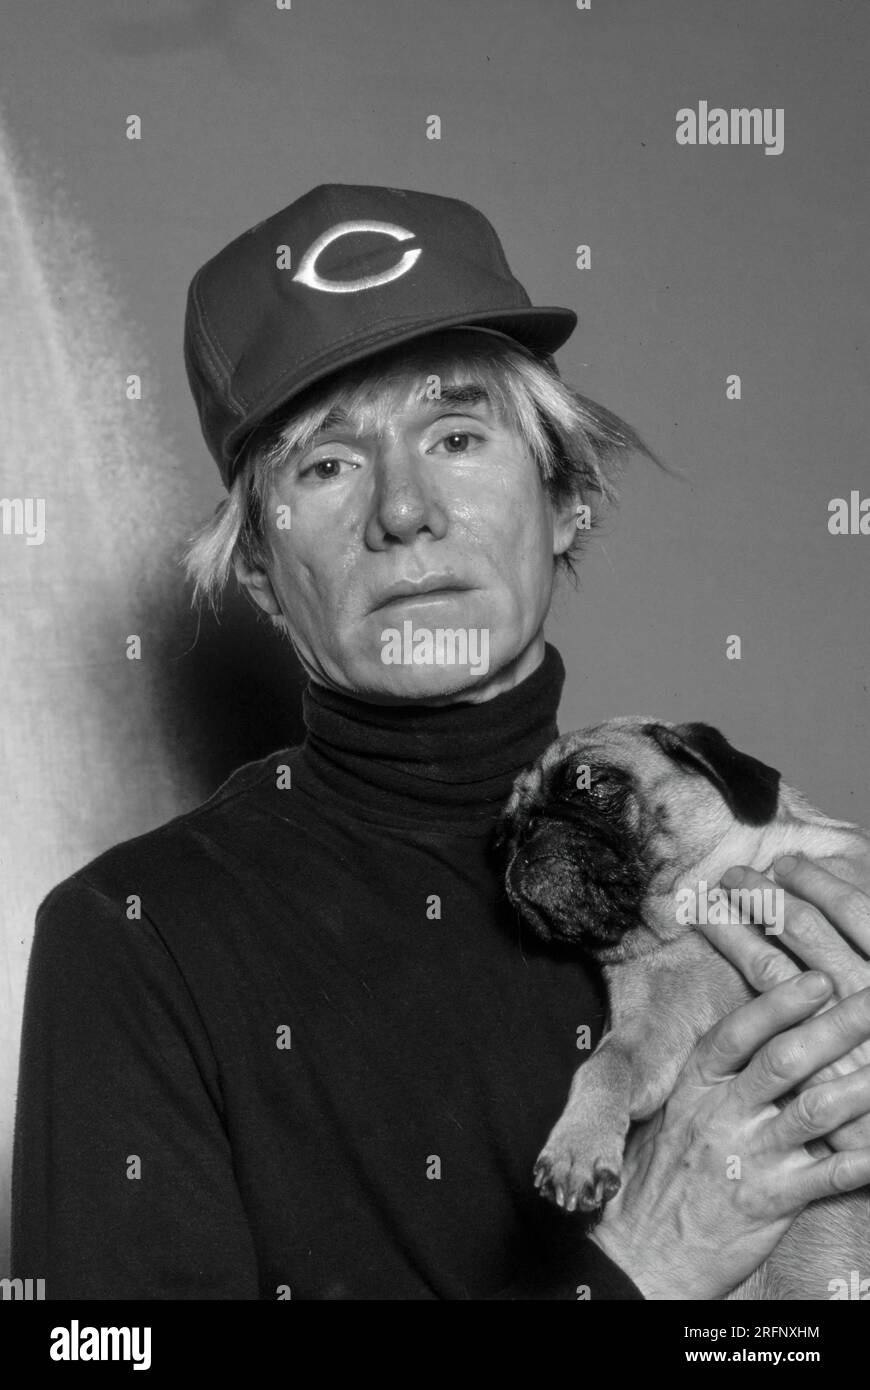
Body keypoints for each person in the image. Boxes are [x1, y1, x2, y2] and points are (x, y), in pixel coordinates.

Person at [11, 184, 870, 1300]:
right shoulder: (134, 939)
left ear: (566, 497)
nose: (404, 511)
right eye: (327, 464)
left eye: (457, 435)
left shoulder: (761, 877)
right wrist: (643, 1258)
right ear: (262, 575)